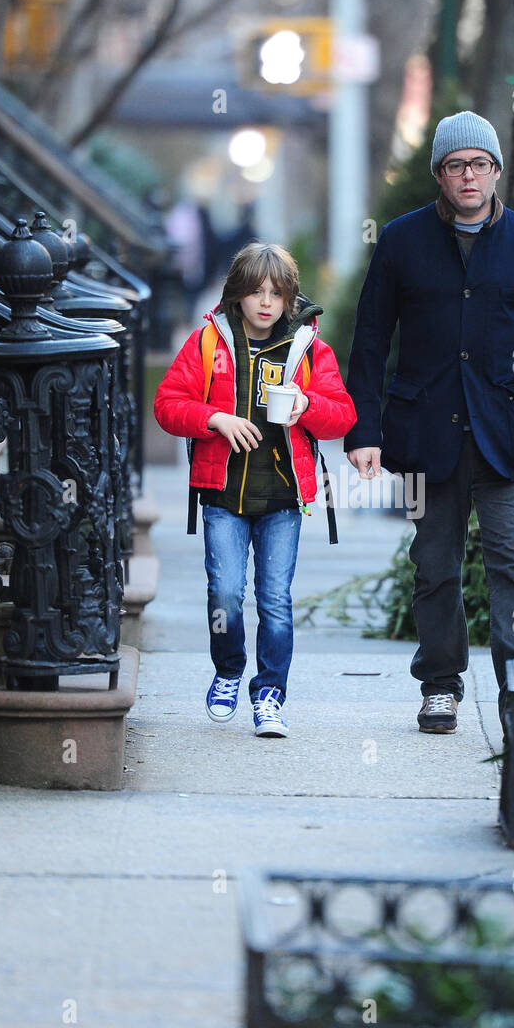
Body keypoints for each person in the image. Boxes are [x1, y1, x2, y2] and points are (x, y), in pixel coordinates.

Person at [344, 110, 514, 736]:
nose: (469, 176)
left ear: (496, 171)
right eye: (456, 166)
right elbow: (370, 340)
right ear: (439, 176)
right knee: (436, 565)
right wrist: (364, 431)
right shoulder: (402, 240)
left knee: (513, 562)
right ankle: (440, 686)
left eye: (479, 164)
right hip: (427, 436)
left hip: (509, 437)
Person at [154, 242, 356, 737]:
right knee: (224, 592)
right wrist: (214, 418)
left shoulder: (310, 348)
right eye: (255, 292)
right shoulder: (208, 343)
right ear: (237, 295)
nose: (266, 302)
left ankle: (270, 694)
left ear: (290, 298)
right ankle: (227, 672)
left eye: (277, 293)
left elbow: (343, 415)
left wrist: (306, 404)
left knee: (275, 601)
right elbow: (167, 404)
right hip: (222, 496)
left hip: (283, 500)